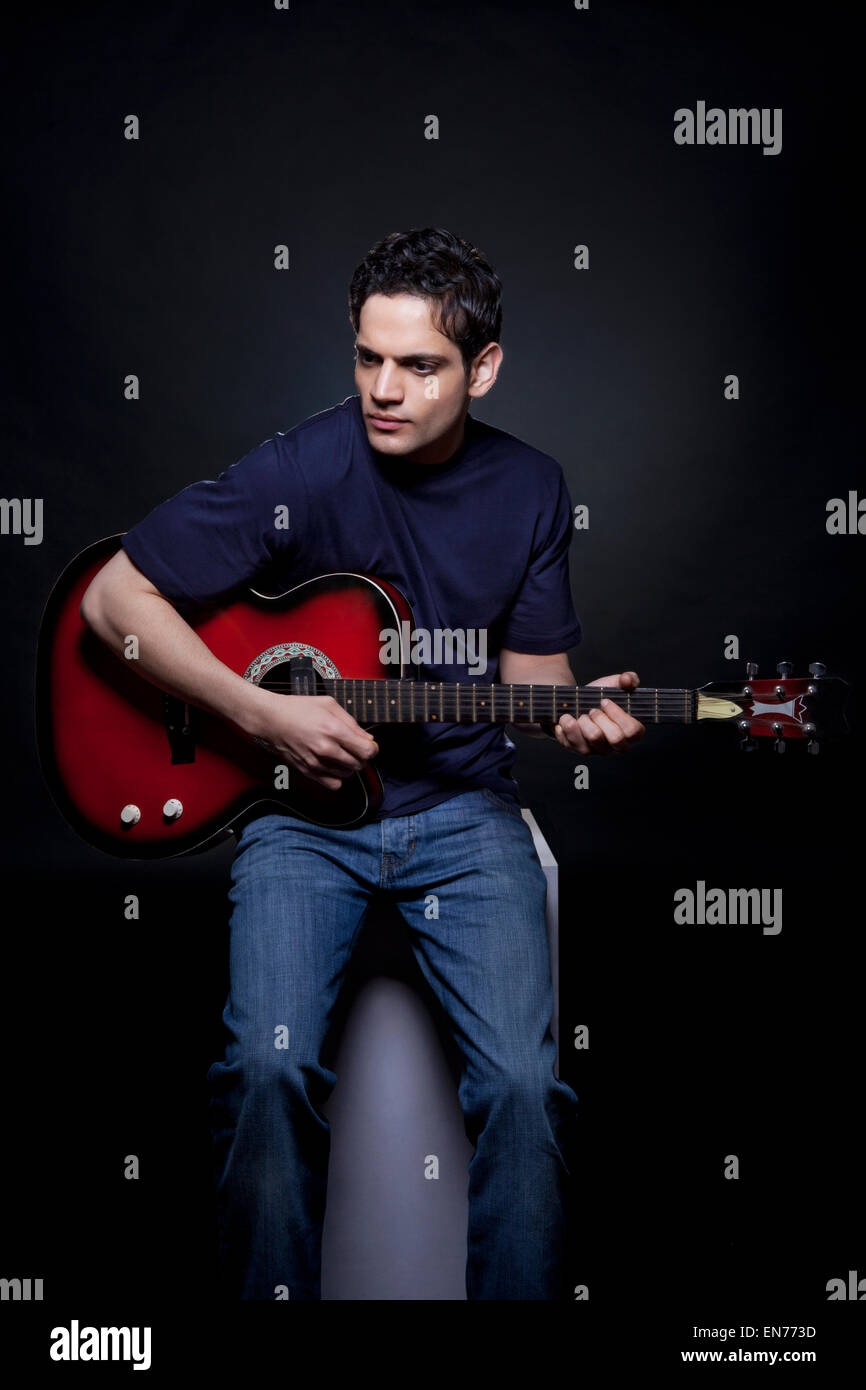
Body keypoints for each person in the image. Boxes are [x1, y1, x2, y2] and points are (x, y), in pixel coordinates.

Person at [80, 226, 645, 1300]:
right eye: (366, 358)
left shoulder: (531, 486)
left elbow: (534, 678)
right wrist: (259, 715)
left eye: (419, 366)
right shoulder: (301, 463)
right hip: (301, 818)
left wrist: (570, 718)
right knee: (263, 1069)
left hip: (464, 812)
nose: (383, 389)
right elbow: (114, 601)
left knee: (527, 1088)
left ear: (480, 369)